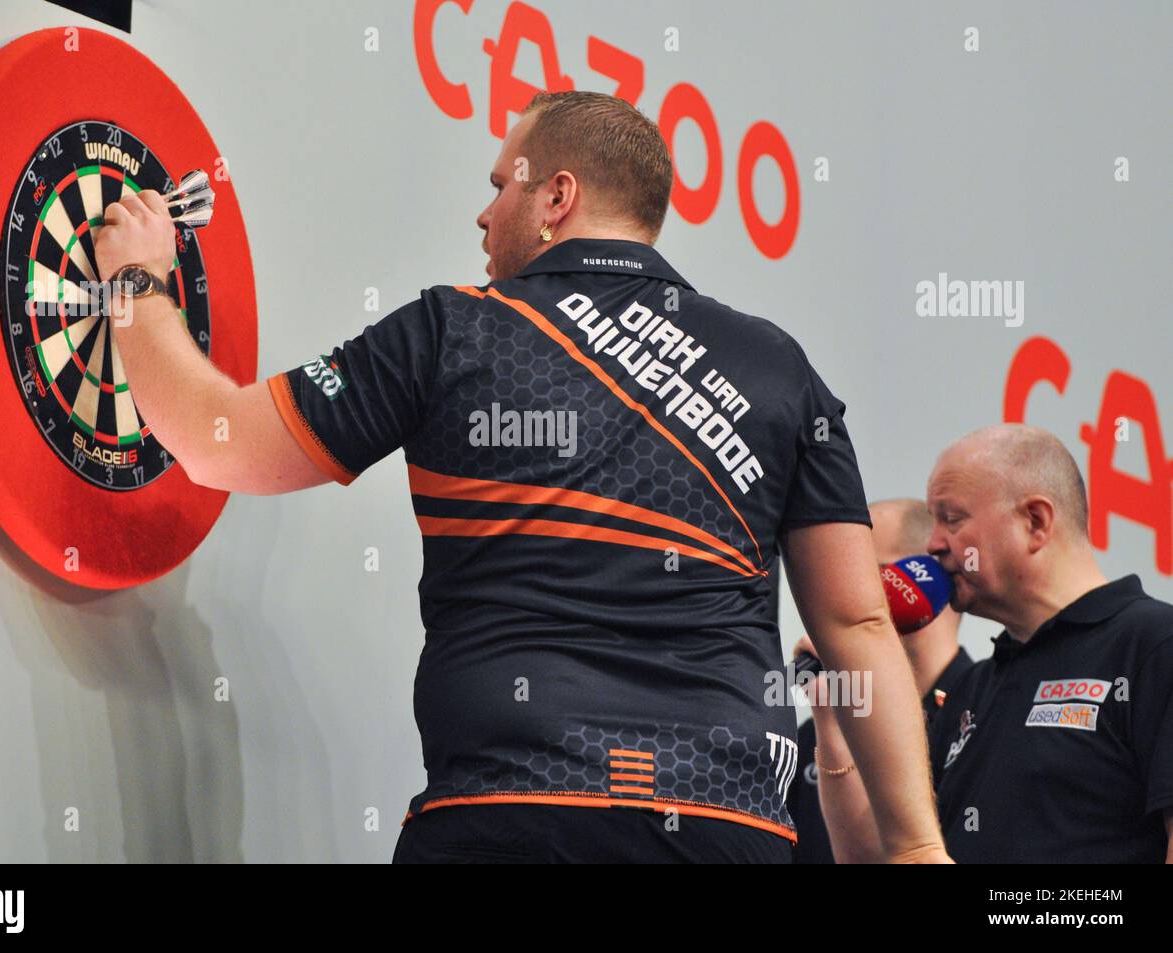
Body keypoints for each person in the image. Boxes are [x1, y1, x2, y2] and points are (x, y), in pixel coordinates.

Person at [92, 90, 948, 863]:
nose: (481, 211)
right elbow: (858, 624)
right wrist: (915, 848)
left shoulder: (452, 328)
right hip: (727, 825)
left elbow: (217, 443)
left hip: (510, 812)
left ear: (557, 196)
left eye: (500, 183)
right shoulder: (779, 368)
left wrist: (135, 279)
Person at [819, 425, 1173, 863]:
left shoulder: (1155, 645)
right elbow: (882, 858)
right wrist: (832, 715)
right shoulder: (972, 691)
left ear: (1035, 522)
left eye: (952, 519)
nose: (933, 544)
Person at [787, 498, 970, 863]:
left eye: (866, 575)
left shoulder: (983, 716)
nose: (840, 597)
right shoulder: (808, 739)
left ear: (926, 577)